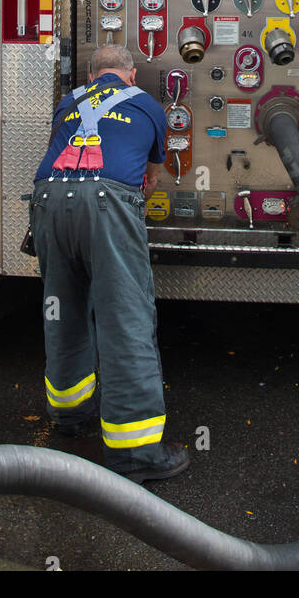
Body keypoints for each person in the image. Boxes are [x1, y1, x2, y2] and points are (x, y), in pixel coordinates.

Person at [30, 44, 190, 485]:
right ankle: (136, 451)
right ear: (130, 75)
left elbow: (57, 152)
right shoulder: (147, 105)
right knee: (125, 318)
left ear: (94, 74)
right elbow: (150, 178)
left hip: (47, 200)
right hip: (105, 203)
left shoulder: (69, 100)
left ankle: (69, 415)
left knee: (63, 310)